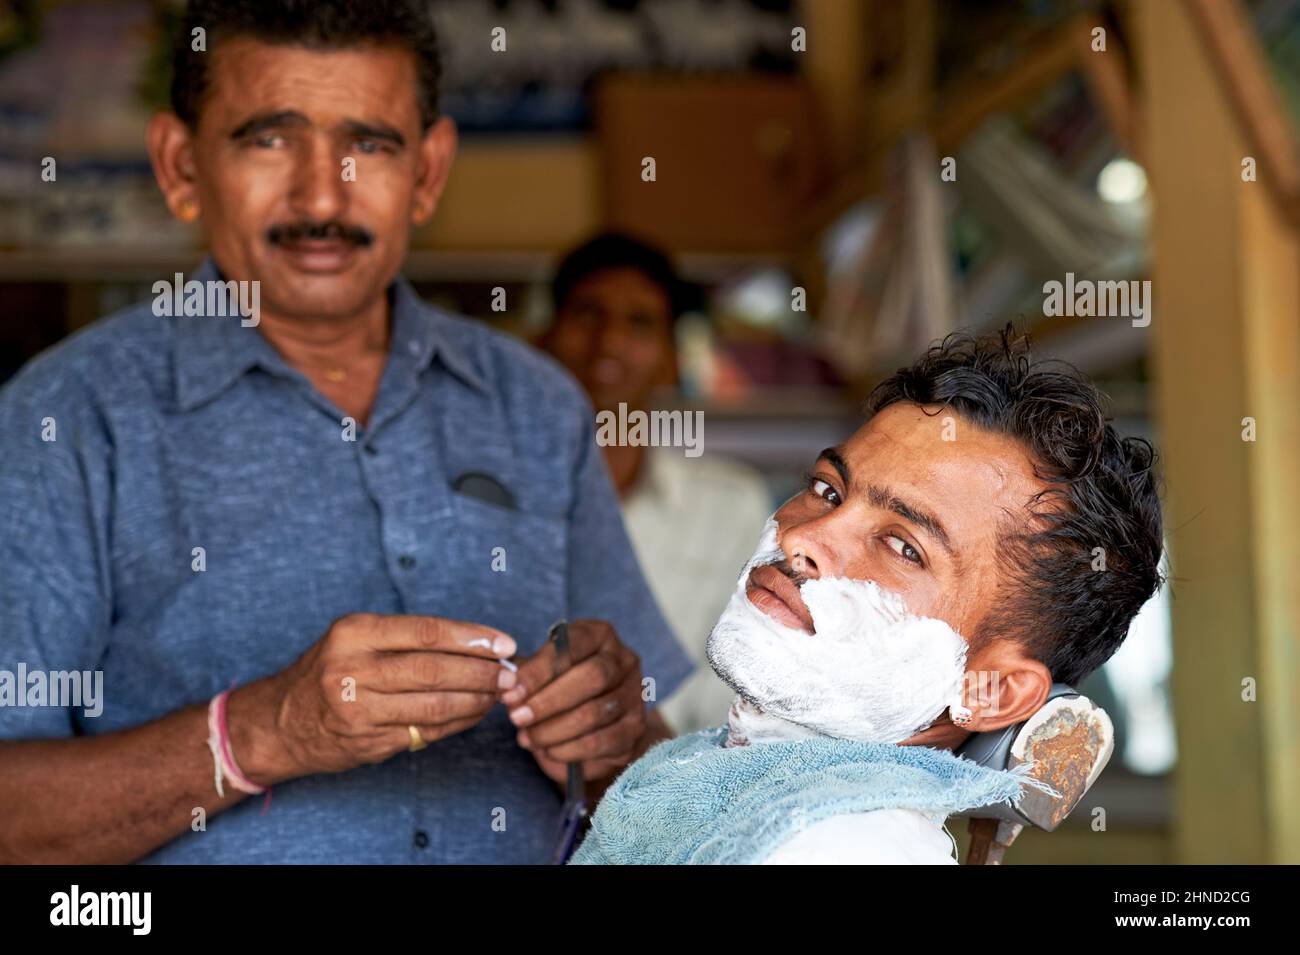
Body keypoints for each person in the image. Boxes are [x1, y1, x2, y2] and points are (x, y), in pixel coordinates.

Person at [0, 0, 692, 864]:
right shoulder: (67, 418)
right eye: (268, 138)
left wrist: (613, 736)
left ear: (430, 172)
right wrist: (260, 731)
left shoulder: (535, 404)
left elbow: (656, 768)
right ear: (180, 165)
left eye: (369, 143)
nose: (323, 195)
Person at [571, 328, 1164, 864]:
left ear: (994, 691)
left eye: (904, 547)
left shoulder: (846, 847)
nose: (802, 538)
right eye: (828, 490)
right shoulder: (720, 779)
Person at [541, 233, 772, 733]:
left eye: (639, 322)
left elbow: (737, 685)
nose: (609, 341)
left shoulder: (730, 505)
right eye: (587, 314)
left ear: (671, 358)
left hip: (670, 790)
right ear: (545, 338)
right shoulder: (492, 497)